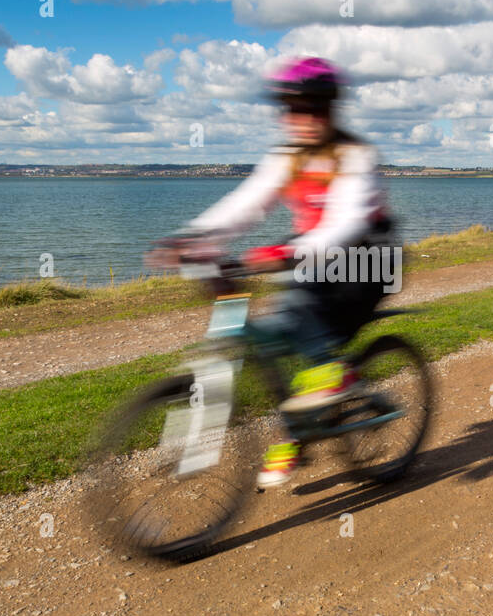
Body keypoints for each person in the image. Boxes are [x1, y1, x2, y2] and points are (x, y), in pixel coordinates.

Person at [166, 57, 396, 488]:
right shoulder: (285, 158)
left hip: (369, 262)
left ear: (331, 109)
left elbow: (346, 222)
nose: (303, 118)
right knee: (276, 331)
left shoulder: (354, 157)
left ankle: (335, 375)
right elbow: (245, 203)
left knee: (304, 304)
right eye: (293, 109)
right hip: (315, 260)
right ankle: (301, 427)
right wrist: (192, 239)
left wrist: (288, 251)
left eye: (314, 107)